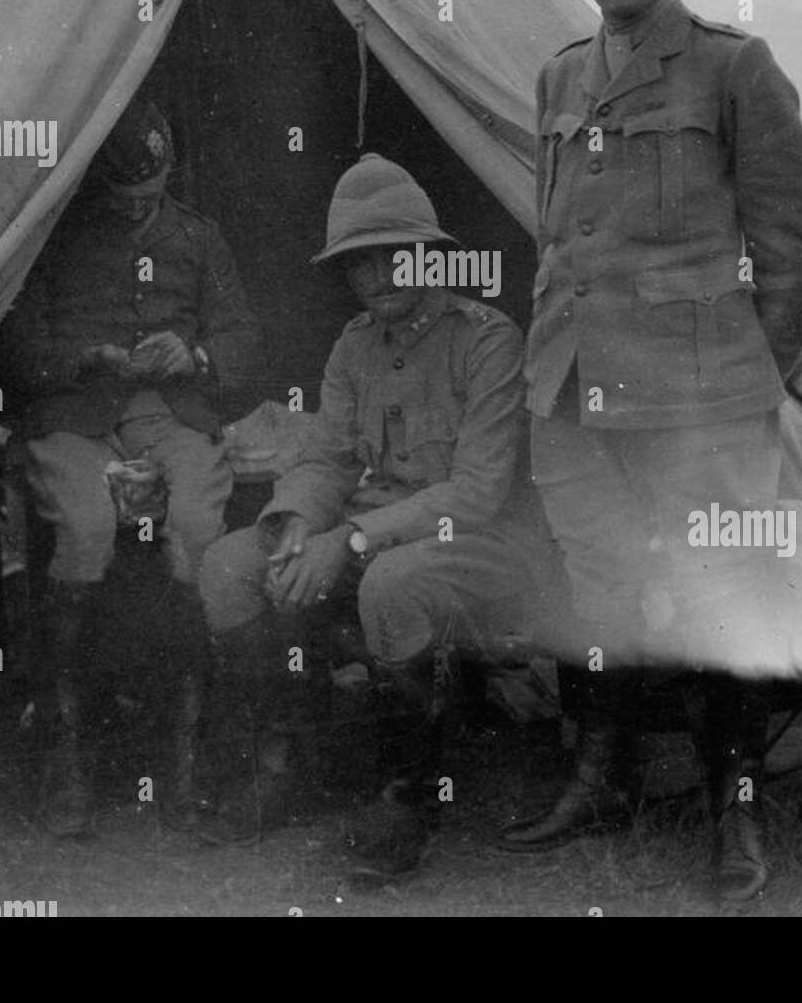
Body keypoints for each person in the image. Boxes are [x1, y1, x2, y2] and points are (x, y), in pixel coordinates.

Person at [500, 0, 802, 900]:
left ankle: (734, 814)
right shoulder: (559, 76)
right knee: (592, 587)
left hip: (698, 403)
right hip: (569, 394)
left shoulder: (735, 69)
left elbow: (797, 248)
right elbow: (565, 241)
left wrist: (742, 377)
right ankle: (595, 780)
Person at [199, 153, 555, 883]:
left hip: (478, 541)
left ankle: (408, 799)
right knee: (228, 566)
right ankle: (290, 763)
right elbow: (327, 459)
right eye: (357, 264)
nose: (375, 276)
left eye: (392, 256)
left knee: (388, 583)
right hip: (372, 533)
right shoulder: (354, 346)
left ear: (427, 252)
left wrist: (350, 539)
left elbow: (479, 491)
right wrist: (293, 524)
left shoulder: (486, 339)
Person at [0, 97, 262, 837]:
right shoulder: (55, 235)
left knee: (196, 532)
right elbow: (15, 352)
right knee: (84, 529)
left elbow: (246, 342)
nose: (134, 210)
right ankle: (67, 755)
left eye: (148, 196)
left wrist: (197, 353)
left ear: (170, 171)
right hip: (79, 415)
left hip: (173, 415)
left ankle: (187, 757)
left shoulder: (201, 241)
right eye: (122, 198)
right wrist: (85, 359)